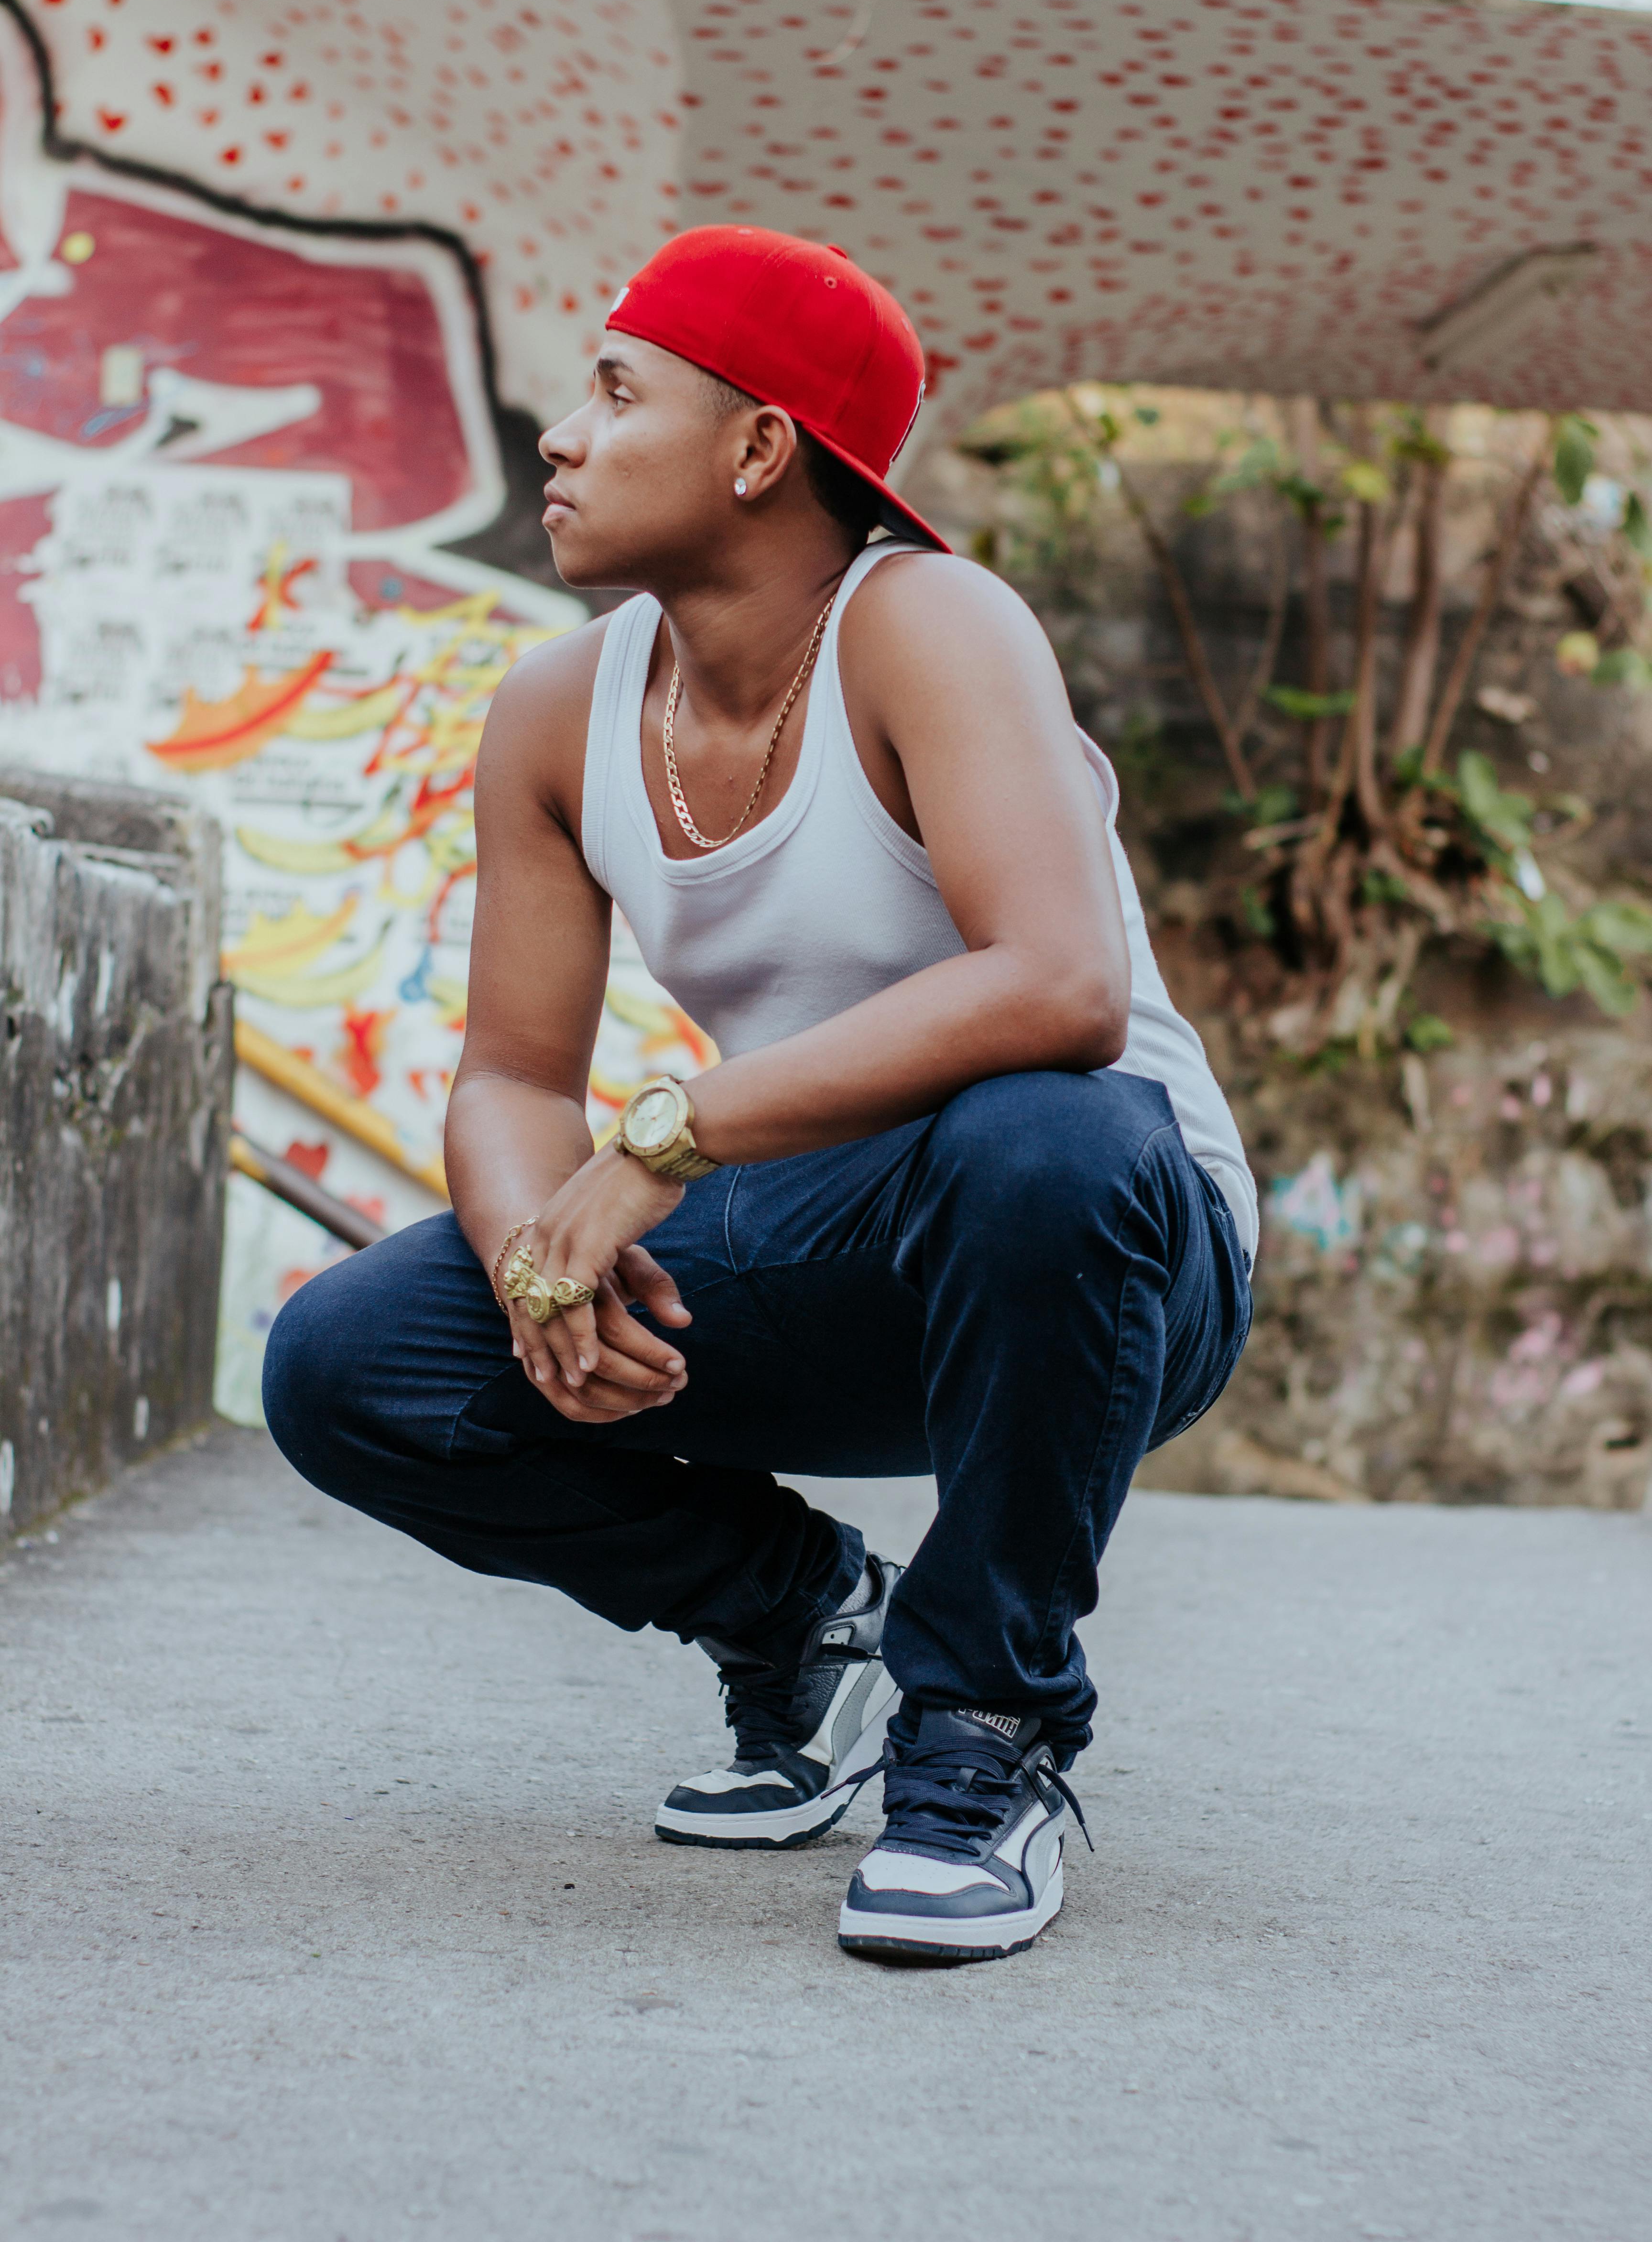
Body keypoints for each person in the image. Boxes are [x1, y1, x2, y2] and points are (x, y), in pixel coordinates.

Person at [264, 225, 1255, 1965]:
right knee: (351, 1361)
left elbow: (1060, 987)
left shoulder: (927, 623)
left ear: (758, 448)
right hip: (825, 1241)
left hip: (1108, 1259)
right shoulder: (560, 711)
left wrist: (669, 1136)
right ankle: (805, 1622)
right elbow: (510, 1076)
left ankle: (987, 1735)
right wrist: (537, 1265)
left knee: (1047, 1130)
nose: (561, 435)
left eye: (616, 392)